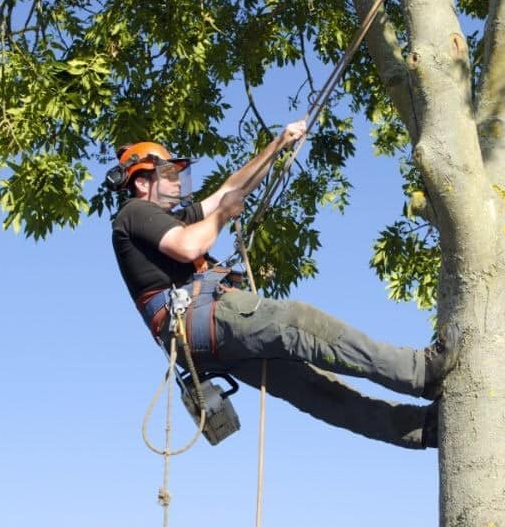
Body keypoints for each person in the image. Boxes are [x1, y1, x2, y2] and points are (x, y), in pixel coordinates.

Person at [110, 120, 459, 449]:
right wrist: (222, 216)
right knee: (298, 322)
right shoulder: (135, 213)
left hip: (201, 340)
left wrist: (277, 145)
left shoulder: (171, 217)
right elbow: (188, 246)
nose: (176, 180)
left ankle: (423, 428)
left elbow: (231, 189)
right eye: (168, 173)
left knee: (312, 389)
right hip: (199, 321)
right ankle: (420, 371)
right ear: (142, 182)